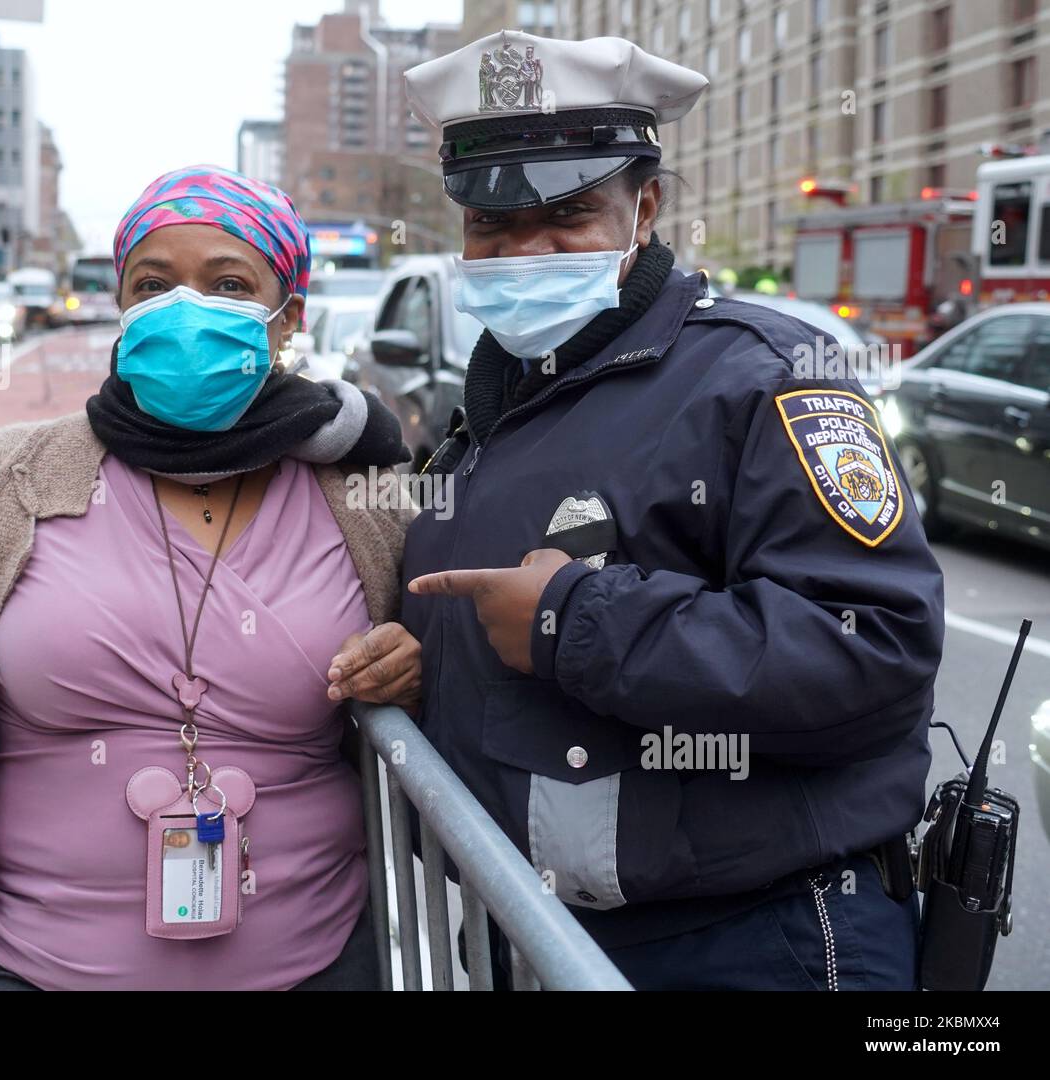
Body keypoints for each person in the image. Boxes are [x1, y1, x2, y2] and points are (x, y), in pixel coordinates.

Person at [397, 30, 946, 990]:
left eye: (567, 214)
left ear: (645, 207)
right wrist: (421, 658)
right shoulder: (502, 399)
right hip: (544, 929)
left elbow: (875, 645)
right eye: (490, 227)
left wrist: (577, 622)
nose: (524, 250)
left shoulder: (763, 379)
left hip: (755, 939)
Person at [0, 164, 422, 991]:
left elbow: (458, 691)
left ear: (286, 319)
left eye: (228, 284)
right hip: (30, 970)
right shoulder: (3, 483)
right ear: (123, 306)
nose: (184, 309)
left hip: (321, 964)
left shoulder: (368, 501)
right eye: (153, 285)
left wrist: (417, 669)